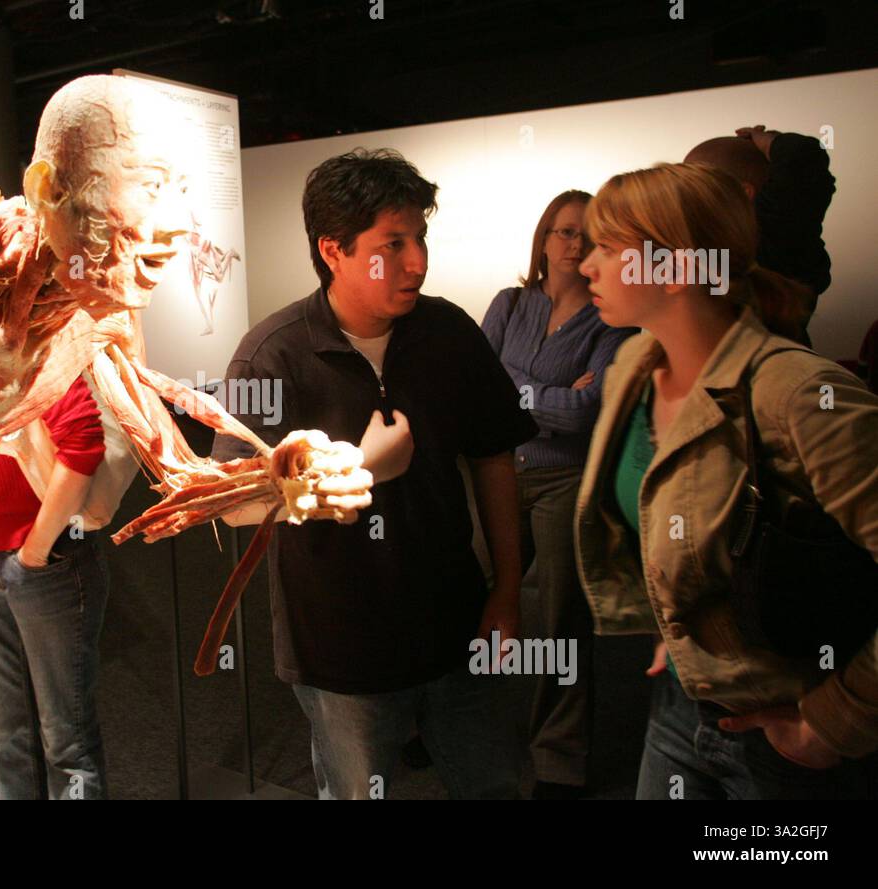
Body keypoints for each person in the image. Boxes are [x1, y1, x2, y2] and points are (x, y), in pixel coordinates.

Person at [212, 148, 538, 800]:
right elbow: (234, 503)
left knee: (499, 783)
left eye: (419, 237)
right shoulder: (273, 354)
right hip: (339, 643)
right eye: (393, 243)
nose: (417, 260)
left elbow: (494, 458)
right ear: (333, 250)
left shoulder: (447, 333)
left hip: (454, 620)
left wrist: (506, 590)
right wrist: (353, 469)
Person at [575, 162, 878, 799]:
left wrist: (836, 719)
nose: (586, 266)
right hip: (678, 707)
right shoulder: (633, 365)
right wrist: (671, 625)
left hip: (784, 730)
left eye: (608, 247)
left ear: (679, 262)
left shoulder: (799, 395)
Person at [480, 190, 635, 798]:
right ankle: (470, 724)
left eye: (589, 237)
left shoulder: (614, 319)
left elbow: (585, 414)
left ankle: (557, 755)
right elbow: (479, 384)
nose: (576, 246)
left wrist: (517, 387)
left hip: (566, 481)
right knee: (484, 599)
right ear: (544, 239)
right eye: (566, 232)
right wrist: (550, 392)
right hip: (495, 473)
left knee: (560, 618)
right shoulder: (510, 302)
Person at [0, 375, 110, 799]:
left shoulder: (32, 346)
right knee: (4, 729)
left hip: (43, 562)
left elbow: (83, 442)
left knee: (67, 736)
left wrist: (34, 553)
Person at [684, 125, 835, 346]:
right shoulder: (703, 248)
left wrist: (768, 141)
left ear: (741, 194)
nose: (679, 191)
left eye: (693, 183)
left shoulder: (774, 243)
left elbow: (802, 160)